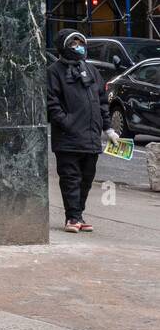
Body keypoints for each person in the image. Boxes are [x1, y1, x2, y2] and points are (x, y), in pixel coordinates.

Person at [47, 28, 115, 232]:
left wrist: (108, 128)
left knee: (86, 179)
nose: (79, 48)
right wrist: (66, 122)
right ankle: (72, 217)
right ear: (64, 47)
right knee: (70, 178)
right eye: (74, 44)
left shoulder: (91, 71)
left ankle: (78, 214)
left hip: (91, 138)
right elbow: (52, 103)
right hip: (68, 138)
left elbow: (102, 102)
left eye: (81, 43)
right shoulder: (54, 71)